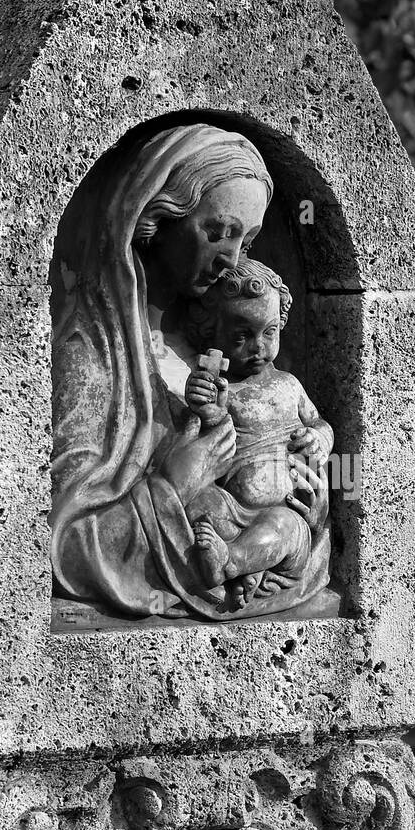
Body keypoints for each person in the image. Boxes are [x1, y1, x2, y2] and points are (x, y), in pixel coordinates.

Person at [50, 122, 331, 619]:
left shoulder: (235, 339)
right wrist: (174, 485)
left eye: (246, 238)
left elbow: (297, 442)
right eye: (218, 232)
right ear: (154, 220)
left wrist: (312, 502)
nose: (232, 258)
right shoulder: (91, 351)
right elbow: (67, 542)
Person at [181, 257, 333, 609]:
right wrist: (208, 415)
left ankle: (232, 562)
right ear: (213, 335)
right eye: (242, 336)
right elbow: (194, 453)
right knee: (199, 503)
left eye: (269, 332)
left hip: (288, 514)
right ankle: (249, 565)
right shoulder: (223, 391)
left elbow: (321, 424)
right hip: (232, 511)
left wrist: (321, 440)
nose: (258, 347)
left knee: (280, 528)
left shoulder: (289, 386)